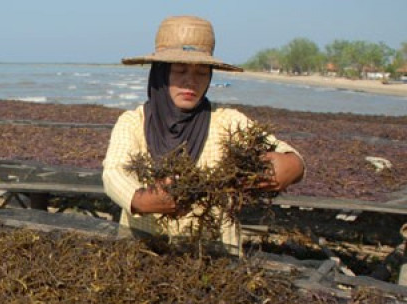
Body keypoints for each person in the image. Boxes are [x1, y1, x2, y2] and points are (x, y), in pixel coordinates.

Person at [102, 15, 304, 251]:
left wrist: (291, 166)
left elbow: (288, 155)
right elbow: (113, 173)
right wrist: (141, 199)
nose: (191, 83)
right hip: (143, 253)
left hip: (216, 254)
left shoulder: (228, 121)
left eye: (201, 73)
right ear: (160, 73)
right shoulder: (133, 122)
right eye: (179, 70)